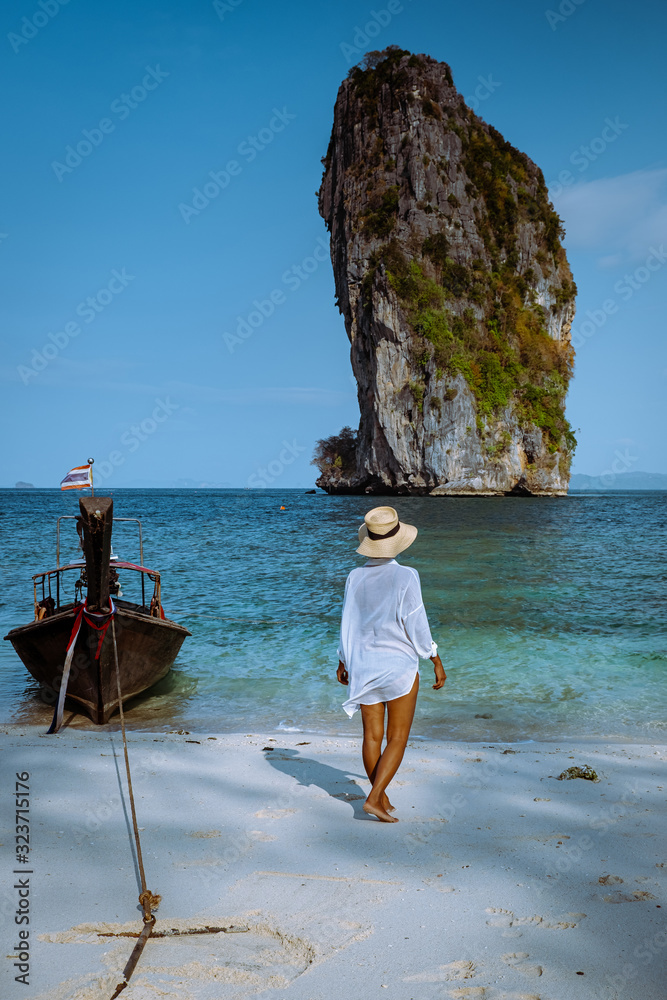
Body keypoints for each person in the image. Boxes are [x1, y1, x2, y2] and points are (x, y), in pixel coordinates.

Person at [337, 505, 446, 822]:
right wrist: (434, 658)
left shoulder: (355, 577)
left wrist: (343, 660)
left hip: (364, 665)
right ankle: (373, 799)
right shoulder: (407, 576)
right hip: (398, 667)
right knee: (397, 738)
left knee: (372, 736)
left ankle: (380, 797)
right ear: (398, 539)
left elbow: (348, 622)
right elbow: (417, 623)